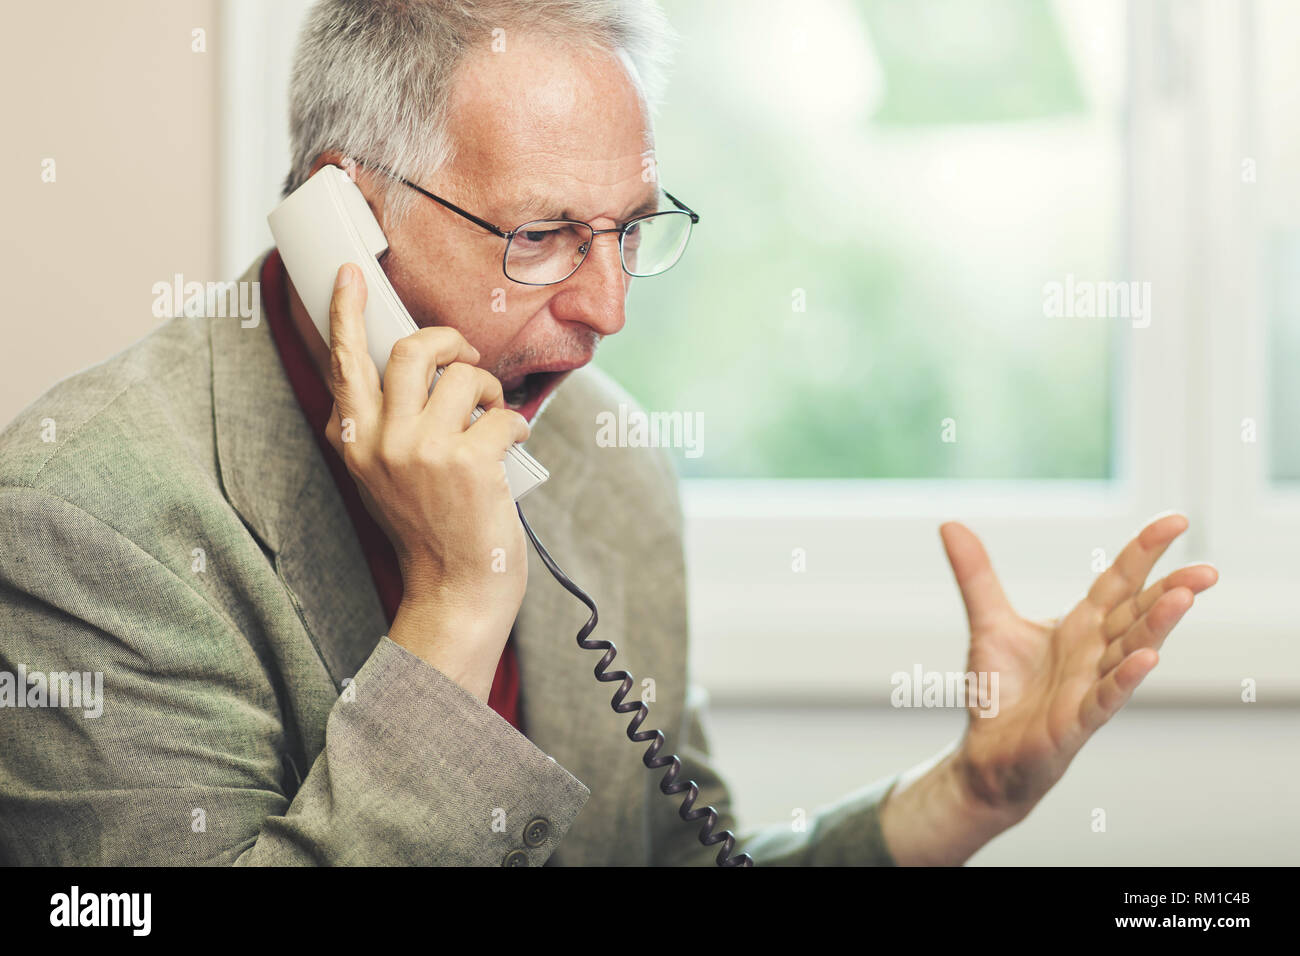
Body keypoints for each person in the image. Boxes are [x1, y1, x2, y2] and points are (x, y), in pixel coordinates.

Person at [0, 0, 1217, 866]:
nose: (608, 310)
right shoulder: (86, 519)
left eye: (630, 228)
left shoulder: (602, 457)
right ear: (344, 216)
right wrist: (456, 609)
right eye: (541, 236)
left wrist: (965, 793)